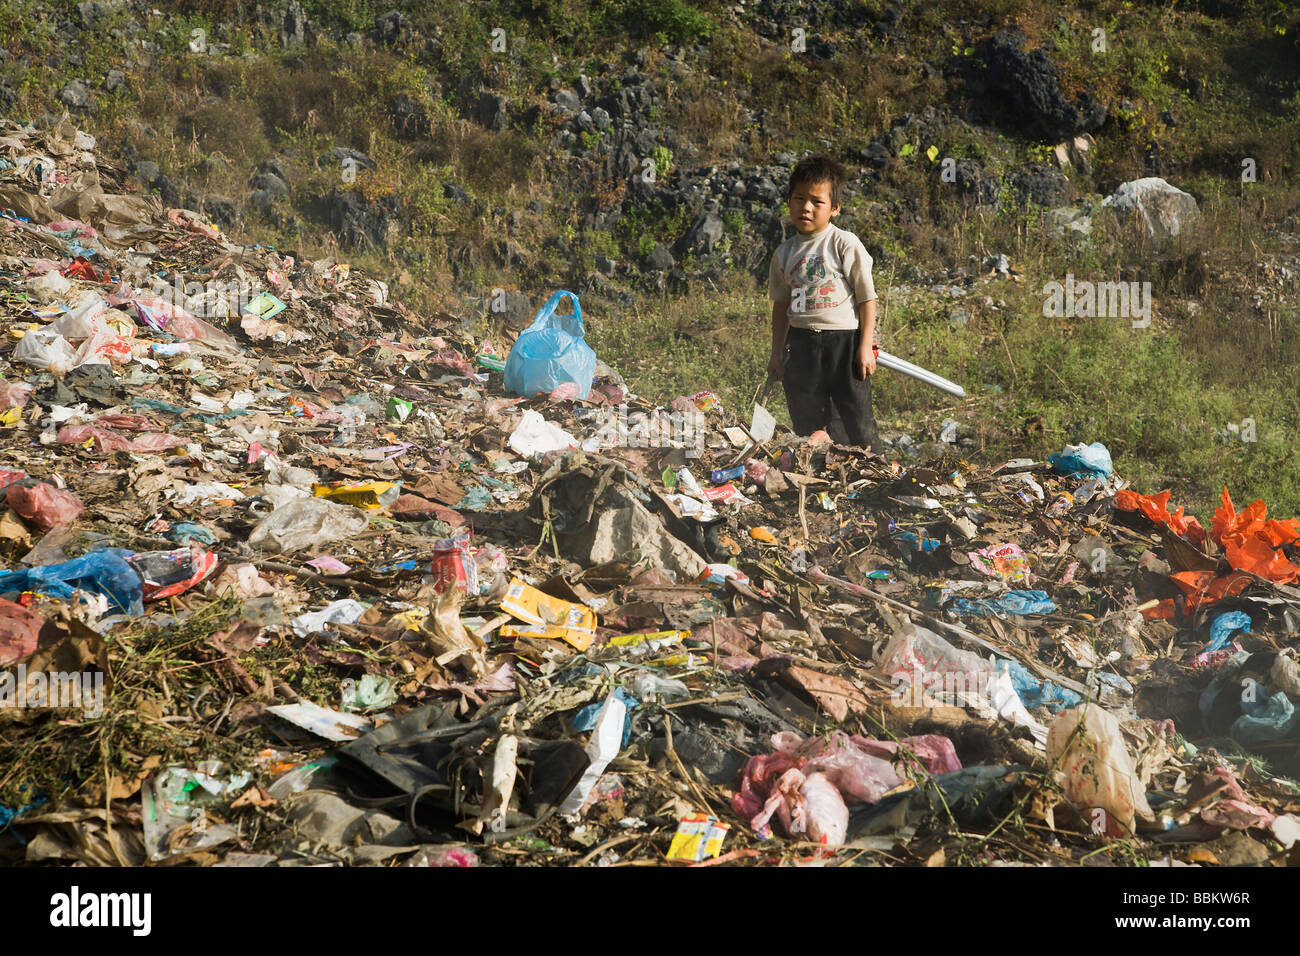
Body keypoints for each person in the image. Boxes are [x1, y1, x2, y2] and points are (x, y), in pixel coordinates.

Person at [767, 154, 880, 452]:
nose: (806, 207)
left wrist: (865, 346)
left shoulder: (844, 243)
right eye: (799, 198)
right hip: (801, 343)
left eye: (817, 201)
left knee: (856, 416)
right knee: (807, 418)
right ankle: (819, 473)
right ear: (789, 201)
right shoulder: (783, 254)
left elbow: (867, 298)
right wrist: (777, 353)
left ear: (834, 208)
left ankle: (874, 474)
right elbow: (781, 308)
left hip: (843, 343)